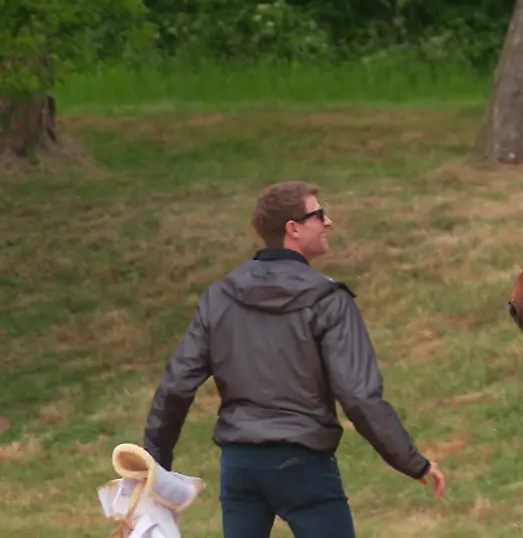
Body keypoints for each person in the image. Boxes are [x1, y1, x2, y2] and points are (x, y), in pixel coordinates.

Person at [140, 181, 445, 537]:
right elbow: (359, 395)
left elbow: (176, 384)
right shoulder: (328, 300)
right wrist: (412, 462)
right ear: (293, 228)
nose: (328, 222)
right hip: (303, 465)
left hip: (240, 465)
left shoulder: (220, 297)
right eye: (319, 215)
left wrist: (154, 465)